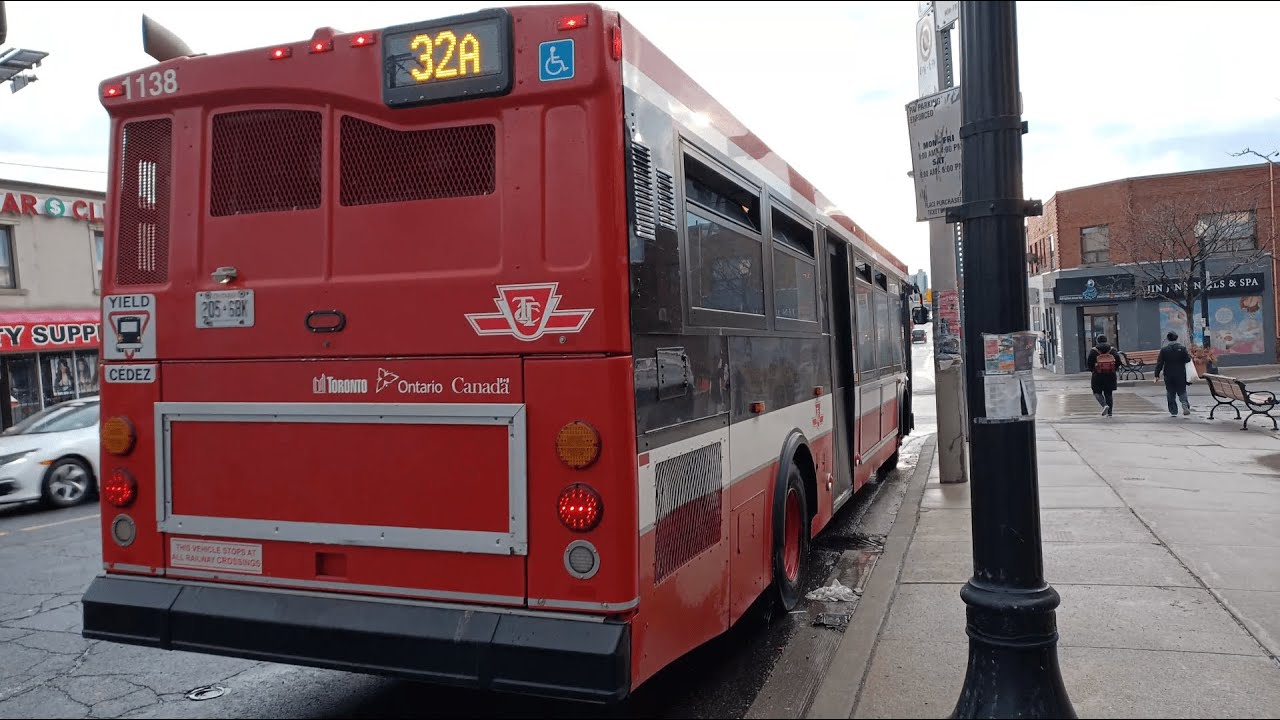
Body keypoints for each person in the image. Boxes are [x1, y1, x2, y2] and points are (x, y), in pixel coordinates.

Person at [1154, 331, 1193, 417]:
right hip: (1180, 373)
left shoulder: (1164, 350)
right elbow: (1187, 359)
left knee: (1170, 392)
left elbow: (1160, 363)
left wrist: (1156, 375)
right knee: (1182, 390)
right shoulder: (1182, 348)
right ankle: (1184, 405)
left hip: (1168, 374)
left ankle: (1173, 411)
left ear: (1168, 339)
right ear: (1177, 338)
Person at [1086, 334, 1118, 417]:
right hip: (1110, 374)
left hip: (1098, 375)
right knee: (1108, 393)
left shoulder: (1094, 350)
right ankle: (1110, 413)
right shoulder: (1112, 350)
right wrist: (1114, 369)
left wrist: (1093, 370)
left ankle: (1104, 405)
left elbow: (1089, 363)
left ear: (1097, 341)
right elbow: (1118, 361)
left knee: (1096, 391)